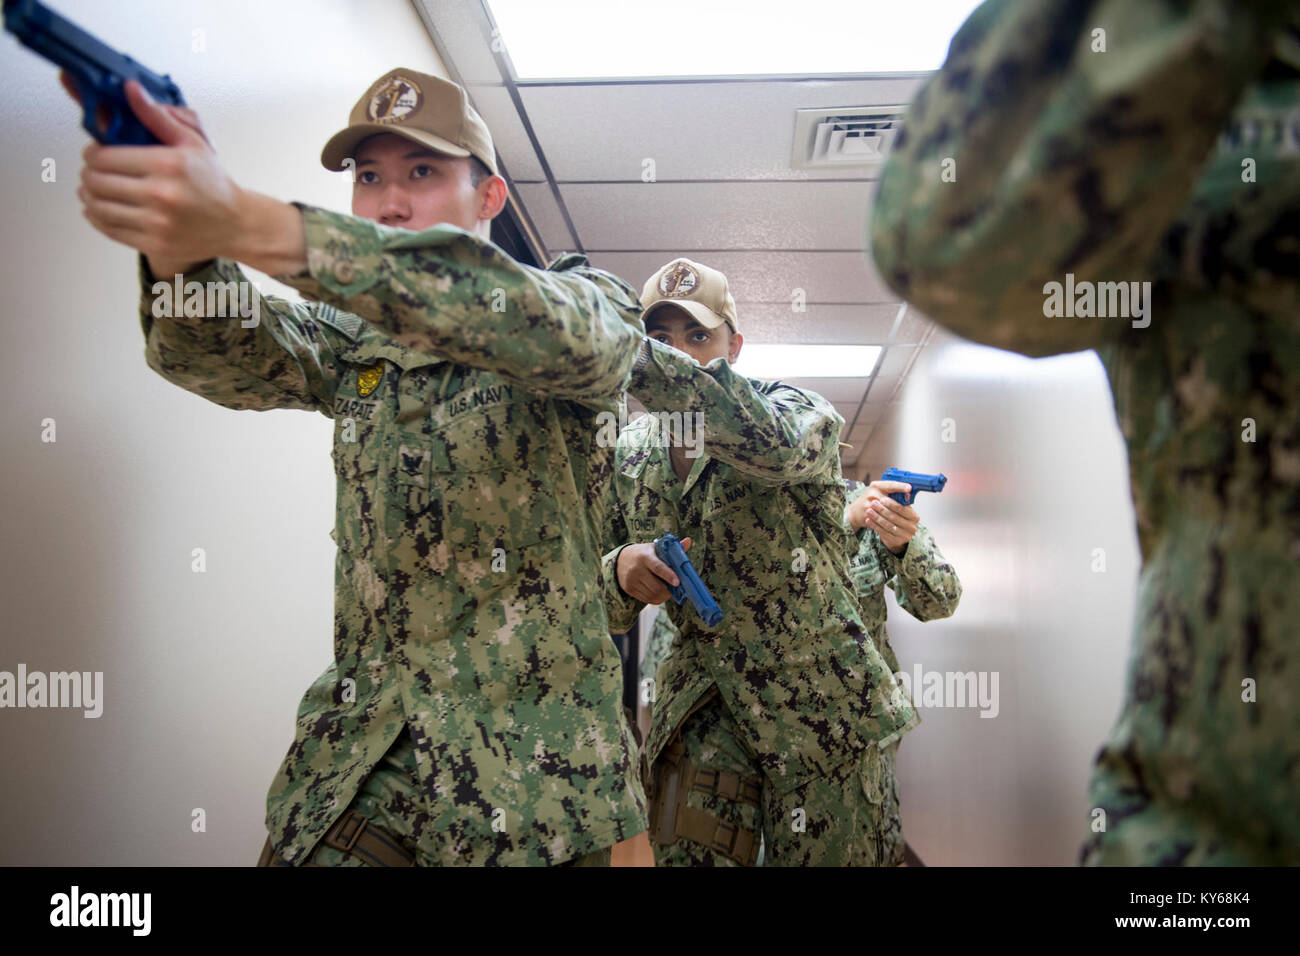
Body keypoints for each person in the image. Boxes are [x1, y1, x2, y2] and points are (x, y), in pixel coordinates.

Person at [68, 66, 648, 865]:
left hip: (535, 786)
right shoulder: (355, 344)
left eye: (422, 173)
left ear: (489, 199)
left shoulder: (581, 305)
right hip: (364, 759)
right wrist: (184, 247)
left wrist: (251, 220)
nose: (390, 202)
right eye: (369, 178)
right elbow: (218, 352)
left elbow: (565, 334)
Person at [870, 1, 1300, 864]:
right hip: (1220, 825)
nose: (677, 355)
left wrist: (891, 538)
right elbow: (942, 235)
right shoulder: (1212, 83)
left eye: (694, 334)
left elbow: (935, 597)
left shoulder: (800, 446)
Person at [602, 257, 918, 866]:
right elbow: (593, 588)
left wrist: (635, 359)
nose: (680, 355)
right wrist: (621, 569)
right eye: (660, 340)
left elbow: (770, 451)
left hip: (821, 710)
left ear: (735, 346)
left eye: (699, 337)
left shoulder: (798, 413)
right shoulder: (627, 451)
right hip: (698, 709)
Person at [843, 477, 963, 865]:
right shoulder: (745, 510)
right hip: (774, 747)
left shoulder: (867, 501)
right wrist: (845, 523)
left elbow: (943, 598)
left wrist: (903, 545)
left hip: (864, 748)